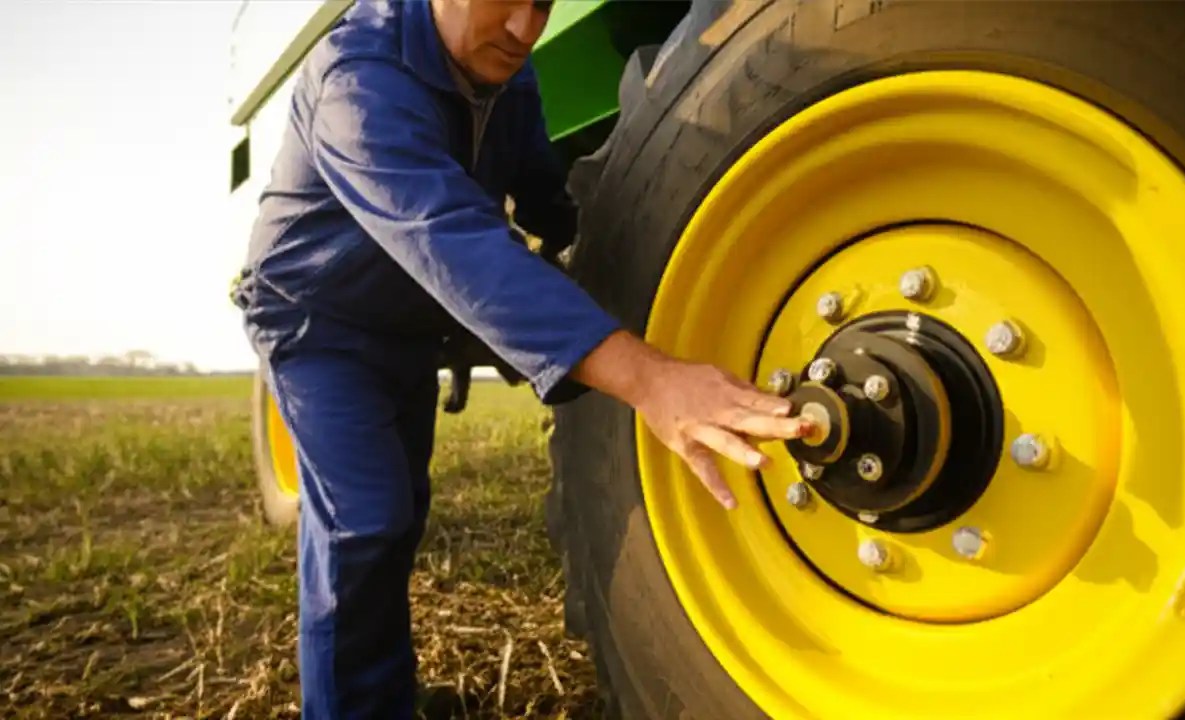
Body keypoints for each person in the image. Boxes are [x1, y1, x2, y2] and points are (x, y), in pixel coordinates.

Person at [231, 0, 812, 717]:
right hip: (321, 323)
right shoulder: (358, 75)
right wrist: (651, 380)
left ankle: (381, 695)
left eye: (541, 3)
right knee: (365, 519)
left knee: (401, 509)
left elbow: (548, 200)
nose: (524, 29)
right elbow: (451, 238)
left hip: (406, 321)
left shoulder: (508, 79)